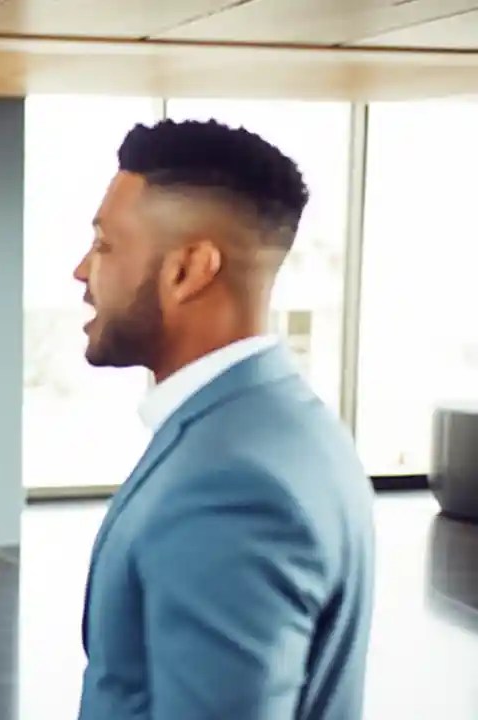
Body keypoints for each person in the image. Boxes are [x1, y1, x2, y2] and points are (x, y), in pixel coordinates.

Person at [73, 119, 375, 720]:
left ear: (189, 270)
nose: (82, 271)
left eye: (105, 245)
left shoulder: (231, 486)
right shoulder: (288, 422)